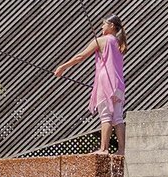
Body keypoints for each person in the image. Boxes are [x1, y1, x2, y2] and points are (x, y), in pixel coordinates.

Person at [53, 15, 128, 156]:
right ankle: (122, 150)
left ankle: (104, 149)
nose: (101, 27)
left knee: (105, 116)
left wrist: (63, 67)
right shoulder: (119, 43)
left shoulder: (101, 41)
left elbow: (80, 57)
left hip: (105, 82)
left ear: (111, 26)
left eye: (104, 24)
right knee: (118, 117)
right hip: (118, 84)